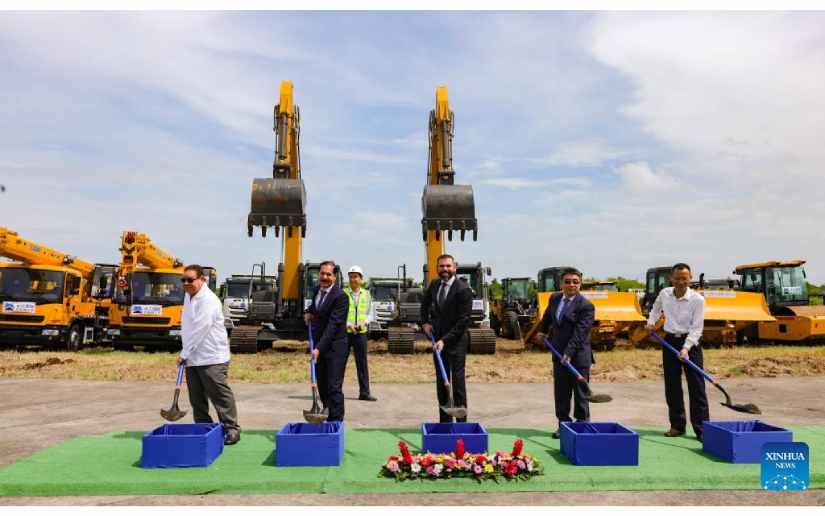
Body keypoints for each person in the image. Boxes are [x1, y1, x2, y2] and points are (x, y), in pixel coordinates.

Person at [178, 264, 240, 445]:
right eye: (183, 280)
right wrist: (187, 353)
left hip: (212, 357)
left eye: (190, 280)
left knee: (219, 394)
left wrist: (183, 353)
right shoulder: (188, 296)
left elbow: (201, 328)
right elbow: (188, 326)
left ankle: (231, 428)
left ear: (202, 280)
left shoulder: (209, 300)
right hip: (193, 357)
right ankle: (204, 428)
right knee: (196, 398)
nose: (186, 283)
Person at [646, 262, 709, 442]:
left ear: (690, 278)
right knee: (672, 386)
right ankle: (677, 426)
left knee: (696, 387)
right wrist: (651, 321)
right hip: (670, 341)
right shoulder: (665, 293)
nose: (681, 282)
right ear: (671, 279)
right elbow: (655, 308)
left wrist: (686, 348)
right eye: (677, 278)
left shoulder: (698, 300)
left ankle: (701, 429)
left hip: (692, 343)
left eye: (685, 278)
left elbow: (697, 329)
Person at [536, 267, 595, 439]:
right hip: (558, 353)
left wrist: (569, 352)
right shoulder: (554, 298)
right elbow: (547, 316)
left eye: (575, 282)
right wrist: (542, 330)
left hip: (578, 356)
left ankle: (582, 424)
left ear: (580, 284)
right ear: (561, 283)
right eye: (567, 282)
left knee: (580, 394)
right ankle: (563, 425)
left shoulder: (586, 306)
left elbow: (581, 332)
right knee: (561, 392)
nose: (571, 285)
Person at [421, 254, 472, 423]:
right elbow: (424, 305)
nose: (445, 269)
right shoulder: (434, 285)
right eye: (442, 266)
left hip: (456, 342)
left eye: (448, 266)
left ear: (455, 267)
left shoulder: (463, 289)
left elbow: (463, 321)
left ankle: (461, 422)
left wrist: (445, 340)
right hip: (438, 341)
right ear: (437, 268)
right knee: (442, 382)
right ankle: (445, 421)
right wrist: (425, 323)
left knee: (457, 383)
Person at [304, 260, 349, 421]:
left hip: (335, 348)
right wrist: (308, 312)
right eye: (322, 274)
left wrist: (318, 349)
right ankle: (327, 414)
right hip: (320, 346)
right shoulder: (317, 290)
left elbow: (333, 326)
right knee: (321, 384)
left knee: (333, 387)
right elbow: (316, 309)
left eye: (328, 274)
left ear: (334, 277)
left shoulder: (341, 297)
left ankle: (336, 422)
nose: (324, 277)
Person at [343, 265, 377, 401]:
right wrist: (349, 325)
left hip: (361, 333)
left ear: (361, 279)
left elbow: (370, 314)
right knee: (340, 363)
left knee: (362, 364)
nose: (353, 279)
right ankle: (335, 391)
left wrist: (364, 323)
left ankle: (364, 392)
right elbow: (339, 314)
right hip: (345, 333)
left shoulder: (367, 294)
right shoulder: (343, 293)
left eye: (356, 276)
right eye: (351, 277)